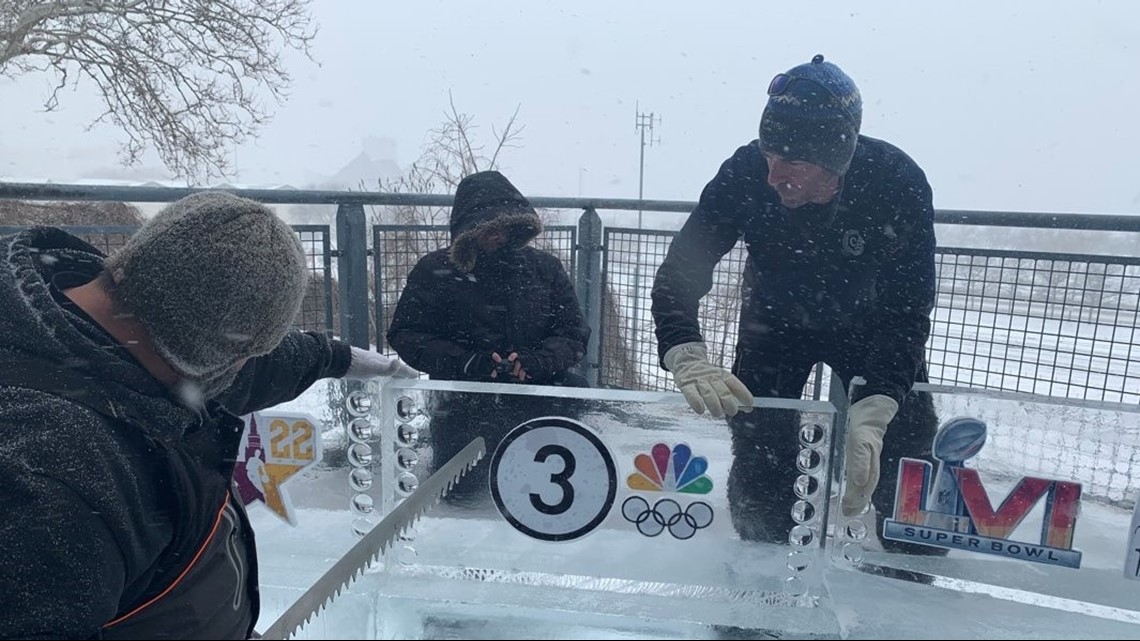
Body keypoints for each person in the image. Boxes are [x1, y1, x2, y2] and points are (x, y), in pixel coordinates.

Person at [0, 192, 417, 639]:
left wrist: (336, 357)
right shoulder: (48, 485)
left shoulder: (108, 322)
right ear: (210, 358)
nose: (244, 368)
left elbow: (251, 361)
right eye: (243, 355)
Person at [651, 54, 943, 554]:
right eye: (769, 155)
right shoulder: (745, 173)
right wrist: (683, 348)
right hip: (775, 323)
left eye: (794, 163)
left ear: (836, 163)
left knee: (905, 439)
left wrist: (880, 398)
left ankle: (914, 563)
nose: (774, 175)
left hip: (870, 325)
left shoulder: (896, 181)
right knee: (759, 437)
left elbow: (908, 307)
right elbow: (682, 269)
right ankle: (762, 560)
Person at [386, 170, 591, 503]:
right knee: (461, 499)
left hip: (538, 397)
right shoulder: (434, 270)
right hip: (462, 403)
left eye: (503, 227)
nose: (496, 236)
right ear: (468, 230)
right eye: (487, 228)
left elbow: (573, 332)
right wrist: (467, 362)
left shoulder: (545, 268)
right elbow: (406, 334)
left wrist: (538, 361)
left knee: (543, 501)